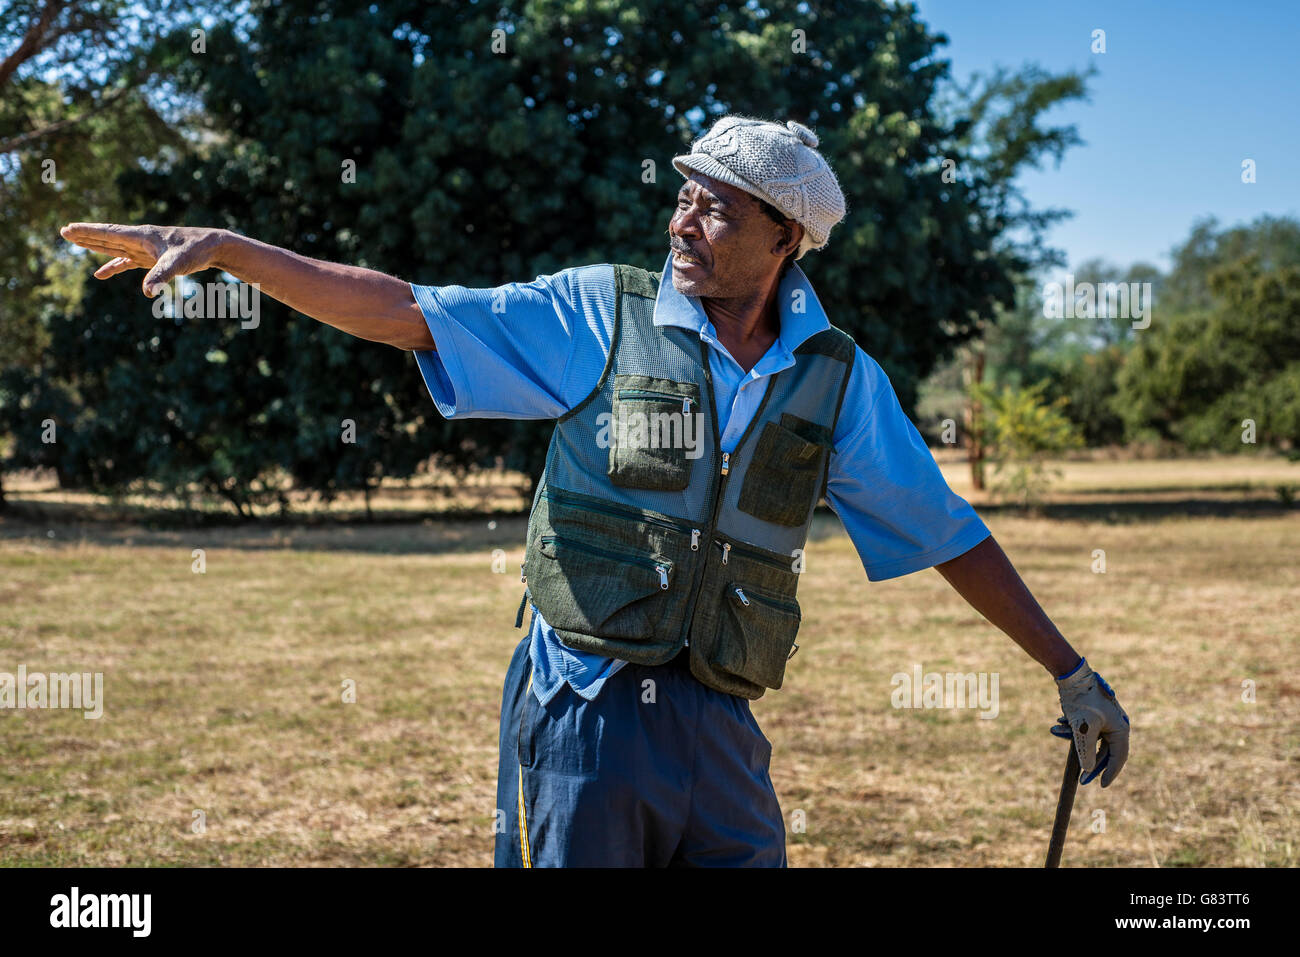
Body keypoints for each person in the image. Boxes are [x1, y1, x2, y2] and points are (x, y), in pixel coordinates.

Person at [60, 113, 1130, 869]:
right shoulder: (595, 315)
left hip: (721, 725)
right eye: (682, 198)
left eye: (715, 210)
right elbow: (409, 310)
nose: (681, 222)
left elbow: (943, 531)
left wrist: (1071, 672)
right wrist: (239, 254)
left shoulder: (835, 376)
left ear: (785, 240)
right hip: (582, 713)